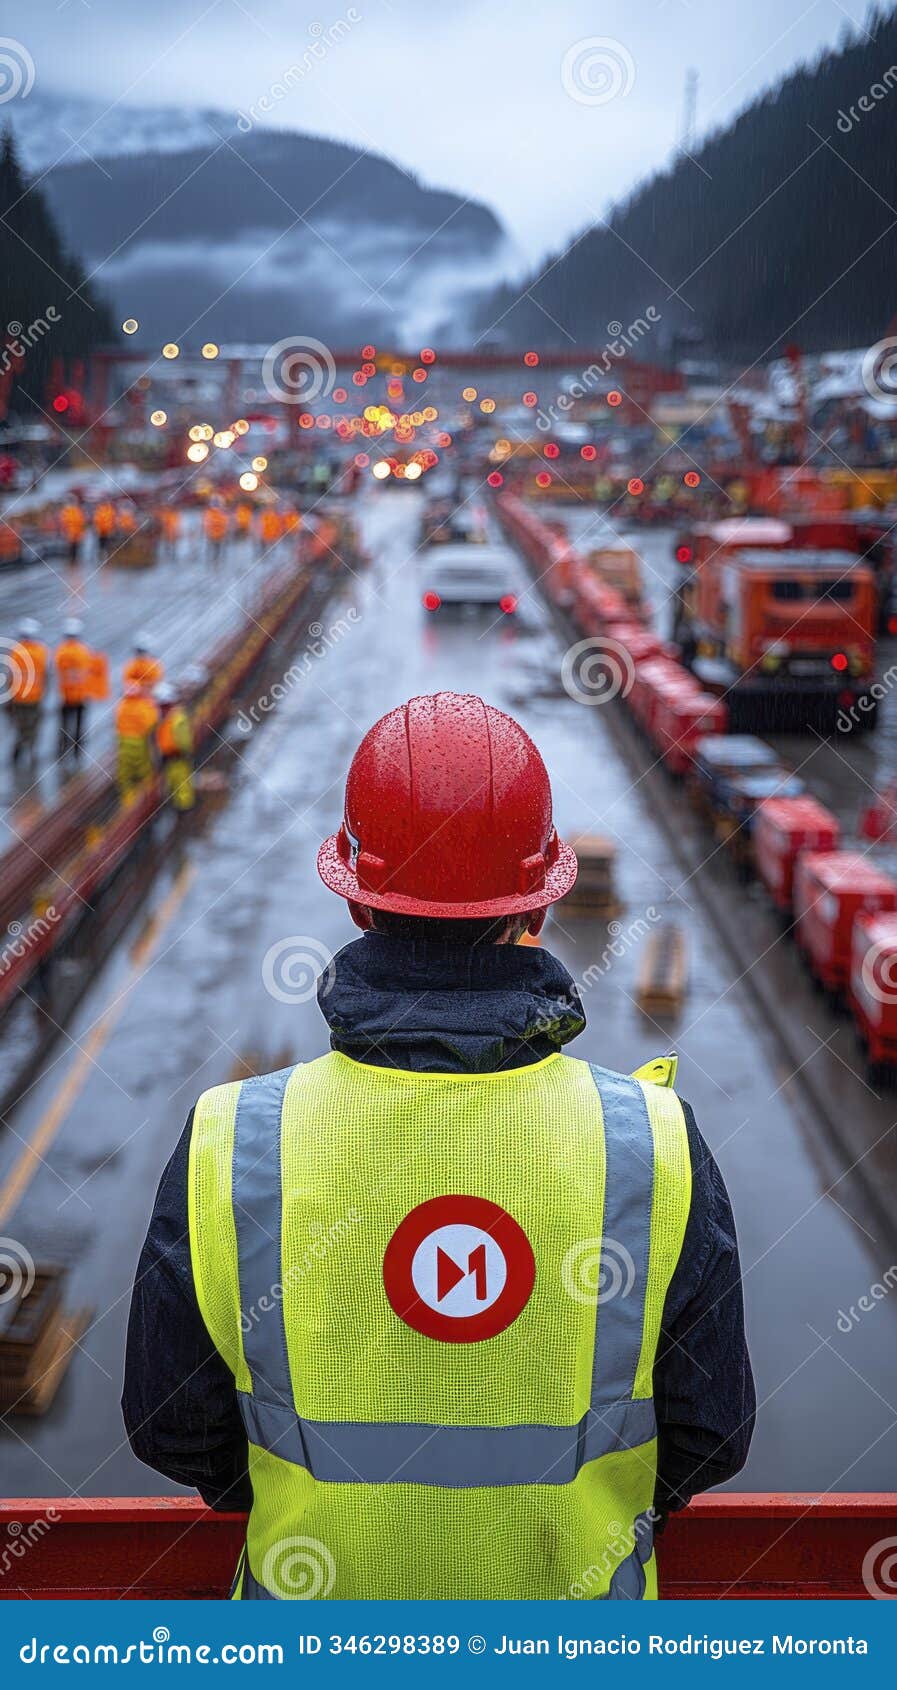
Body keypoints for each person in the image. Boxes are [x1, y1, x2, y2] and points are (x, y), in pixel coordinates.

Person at [123, 692, 754, 1602]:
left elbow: (170, 1423)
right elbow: (711, 1434)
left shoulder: (234, 1140)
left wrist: (300, 1496)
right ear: (538, 906)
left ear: (357, 904)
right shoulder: (652, 1147)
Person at [7, 618, 47, 768]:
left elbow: (10, 677)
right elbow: (45, 676)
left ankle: (16, 755)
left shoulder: (16, 651)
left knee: (20, 727)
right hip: (35, 698)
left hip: (19, 698)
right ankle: (31, 753)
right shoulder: (41, 651)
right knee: (33, 727)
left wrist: (10, 698)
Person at [54, 618, 92, 761]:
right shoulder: (84, 650)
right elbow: (89, 672)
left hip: (66, 696)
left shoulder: (61, 651)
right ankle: (77, 754)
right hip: (80, 696)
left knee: (64, 726)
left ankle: (62, 752)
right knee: (78, 727)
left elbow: (57, 670)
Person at [115, 680, 159, 801]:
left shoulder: (122, 706)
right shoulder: (143, 705)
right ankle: (148, 798)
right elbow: (151, 723)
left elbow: (117, 723)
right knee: (144, 771)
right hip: (140, 742)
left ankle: (128, 801)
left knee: (126, 774)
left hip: (124, 743)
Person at [155, 682, 195, 813]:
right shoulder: (163, 719)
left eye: (163, 706)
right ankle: (178, 806)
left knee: (182, 784)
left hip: (178, 757)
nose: (161, 709)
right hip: (169, 757)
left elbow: (184, 740)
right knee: (173, 783)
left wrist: (182, 752)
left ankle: (185, 809)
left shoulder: (178, 719)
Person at [59, 498, 86, 566]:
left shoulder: (77, 511)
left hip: (76, 533)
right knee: (70, 547)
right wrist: (64, 531)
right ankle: (71, 560)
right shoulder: (66, 511)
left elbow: (81, 522)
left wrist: (82, 532)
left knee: (76, 546)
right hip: (70, 532)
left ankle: (74, 559)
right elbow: (63, 523)